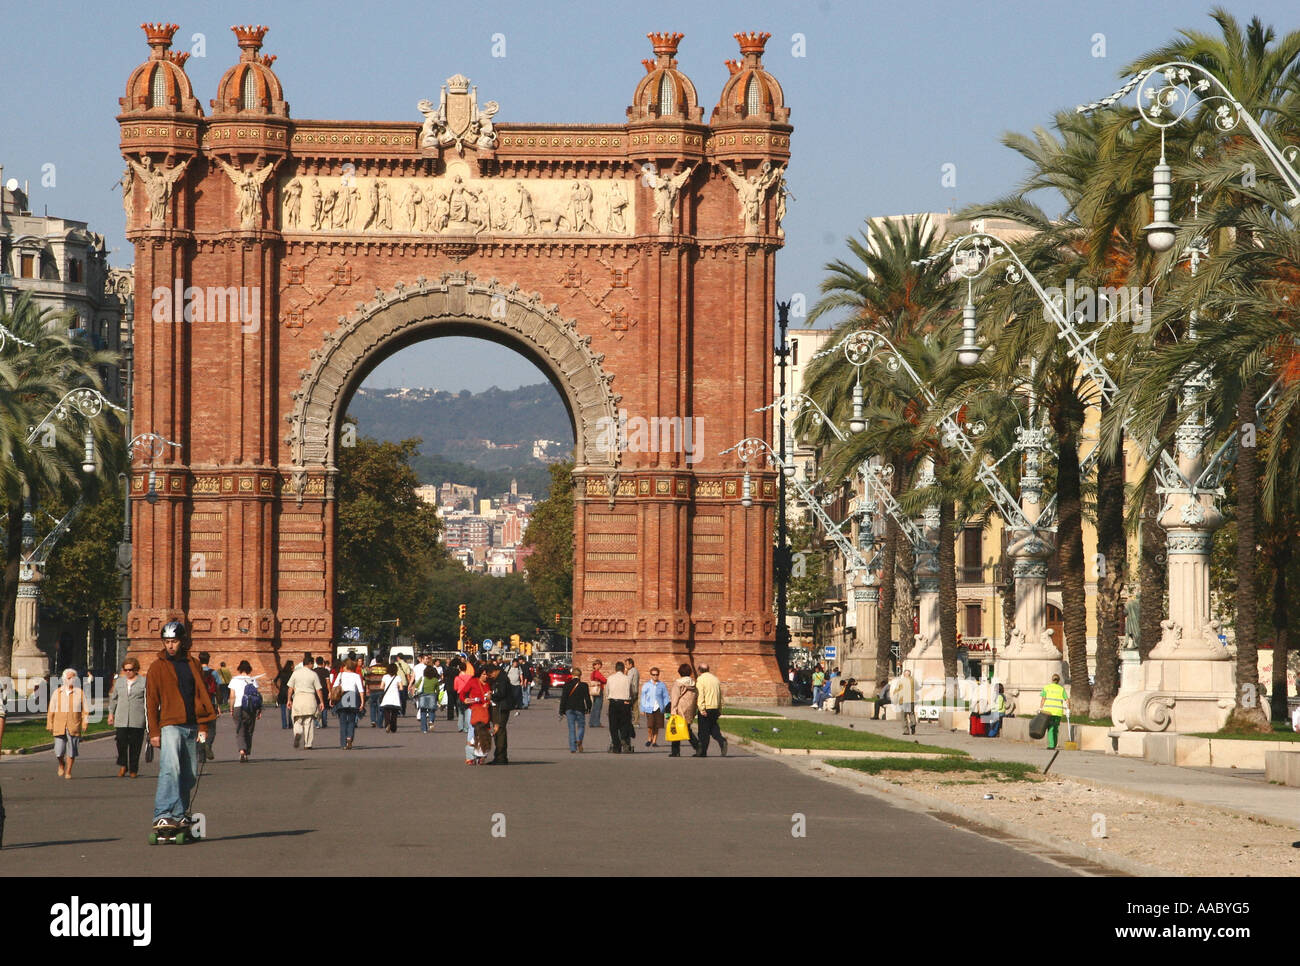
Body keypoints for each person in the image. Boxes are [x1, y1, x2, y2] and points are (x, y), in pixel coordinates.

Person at [145, 621, 217, 836]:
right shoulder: (157, 666)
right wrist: (154, 732)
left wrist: (203, 725)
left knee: (189, 773)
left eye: (174, 641)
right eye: (167, 642)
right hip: (169, 725)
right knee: (171, 768)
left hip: (191, 724)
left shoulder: (193, 664)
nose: (170, 646)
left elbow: (201, 695)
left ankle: (179, 814)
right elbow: (151, 701)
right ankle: (162, 814)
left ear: (183, 641)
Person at [107, 657, 147, 777]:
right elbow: (114, 699)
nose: (128, 672)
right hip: (121, 717)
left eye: (130, 670)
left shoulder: (144, 682)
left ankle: (133, 769)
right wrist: (110, 714)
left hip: (137, 717)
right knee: (121, 742)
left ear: (136, 669)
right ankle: (123, 764)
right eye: (126, 670)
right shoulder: (119, 681)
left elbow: (148, 700)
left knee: (136, 744)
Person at [46, 668, 89, 779]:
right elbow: (51, 709)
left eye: (73, 678)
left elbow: (85, 710)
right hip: (59, 725)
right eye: (69, 678)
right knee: (59, 751)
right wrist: (49, 723)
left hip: (73, 725)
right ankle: (61, 764)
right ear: (64, 679)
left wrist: (85, 722)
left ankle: (68, 771)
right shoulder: (57, 692)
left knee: (72, 750)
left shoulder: (79, 692)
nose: (71, 680)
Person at [288, 653, 324, 750]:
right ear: (310, 663)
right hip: (310, 698)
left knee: (297, 720)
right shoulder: (313, 674)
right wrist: (321, 702)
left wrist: (288, 700)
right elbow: (318, 690)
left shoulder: (295, 673)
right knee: (308, 721)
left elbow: (290, 688)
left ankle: (298, 733)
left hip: (298, 698)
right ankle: (308, 744)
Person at [458, 663, 491, 764]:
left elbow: (491, 698)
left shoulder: (489, 684)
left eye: (487, 675)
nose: (485, 677)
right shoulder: (473, 682)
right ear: (479, 674)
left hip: (484, 711)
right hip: (473, 709)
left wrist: (488, 702)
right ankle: (470, 757)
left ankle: (482, 756)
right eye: (484, 674)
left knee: (484, 734)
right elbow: (462, 693)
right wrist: (465, 700)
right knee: (472, 732)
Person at [229, 660, 261, 762]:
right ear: (249, 669)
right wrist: (259, 710)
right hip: (250, 708)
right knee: (249, 730)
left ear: (239, 669)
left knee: (240, 729)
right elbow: (257, 696)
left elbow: (232, 696)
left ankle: (242, 751)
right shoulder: (252, 680)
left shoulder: (234, 680)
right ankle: (247, 752)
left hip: (238, 706)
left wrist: (231, 708)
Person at [694, 663, 727, 757]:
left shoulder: (701, 679)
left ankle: (703, 752)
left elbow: (700, 695)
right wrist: (720, 708)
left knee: (703, 731)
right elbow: (720, 694)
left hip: (706, 707)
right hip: (715, 707)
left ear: (699, 670)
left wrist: (701, 708)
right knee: (713, 727)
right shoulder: (715, 679)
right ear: (708, 669)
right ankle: (721, 740)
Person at [333, 658, 366, 750]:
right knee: (352, 720)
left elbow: (335, 687)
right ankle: (349, 738)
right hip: (352, 696)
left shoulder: (341, 675)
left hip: (343, 696)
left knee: (343, 721)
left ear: (346, 666)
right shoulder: (356, 676)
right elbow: (360, 690)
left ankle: (343, 743)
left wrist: (332, 699)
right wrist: (362, 702)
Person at [558, 667, 591, 753]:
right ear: (580, 675)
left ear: (572, 675)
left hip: (569, 708)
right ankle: (579, 739)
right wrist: (589, 708)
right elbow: (587, 698)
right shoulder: (584, 685)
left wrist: (561, 710)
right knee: (581, 726)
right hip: (580, 708)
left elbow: (563, 698)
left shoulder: (567, 685)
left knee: (571, 728)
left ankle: (573, 748)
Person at [668, 664, 699, 757]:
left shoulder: (678, 683)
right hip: (690, 709)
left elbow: (675, 698)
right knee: (687, 728)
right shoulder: (693, 683)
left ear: (680, 672)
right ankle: (698, 747)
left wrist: (673, 710)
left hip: (680, 709)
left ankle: (676, 751)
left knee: (676, 729)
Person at [488, 664, 514, 765]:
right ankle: (499, 756)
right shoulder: (501, 677)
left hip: (502, 707)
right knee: (498, 731)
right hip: (501, 707)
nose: (491, 677)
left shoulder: (502, 679)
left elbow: (501, 693)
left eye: (490, 675)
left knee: (499, 731)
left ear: (494, 671)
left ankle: (501, 756)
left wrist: (492, 696)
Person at [605, 661, 634, 753]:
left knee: (613, 726)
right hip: (625, 703)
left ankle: (616, 746)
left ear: (615, 669)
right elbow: (631, 692)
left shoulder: (610, 678)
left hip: (613, 703)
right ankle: (624, 740)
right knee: (624, 724)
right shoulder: (627, 679)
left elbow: (607, 692)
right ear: (623, 669)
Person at [197, 652, 220, 760]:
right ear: (208, 660)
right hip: (211, 703)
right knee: (211, 729)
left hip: (198, 704)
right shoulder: (213, 673)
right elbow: (218, 688)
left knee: (201, 729)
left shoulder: (196, 672)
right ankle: (208, 745)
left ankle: (201, 754)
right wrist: (219, 704)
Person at [639, 667, 670, 747]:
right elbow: (643, 697)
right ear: (651, 675)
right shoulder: (646, 685)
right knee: (650, 725)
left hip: (659, 707)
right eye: (653, 674)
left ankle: (654, 741)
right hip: (649, 707)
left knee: (657, 725)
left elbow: (666, 696)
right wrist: (642, 708)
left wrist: (667, 708)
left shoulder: (662, 685)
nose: (655, 676)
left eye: (657, 674)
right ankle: (649, 738)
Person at [1039, 674, 1068, 749]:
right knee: (1055, 728)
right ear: (1058, 681)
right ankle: (1054, 744)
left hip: (1049, 712)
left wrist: (1040, 708)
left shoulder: (1046, 688)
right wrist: (1068, 709)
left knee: (1050, 728)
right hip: (1058, 712)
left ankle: (1051, 745)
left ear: (1052, 680)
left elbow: (1043, 699)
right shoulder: (1061, 689)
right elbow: (1067, 700)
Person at [893, 670, 917, 735]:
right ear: (910, 674)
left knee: (904, 716)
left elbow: (896, 691)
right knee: (911, 713)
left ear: (904, 674)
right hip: (911, 700)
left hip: (903, 700)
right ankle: (913, 723)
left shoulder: (900, 681)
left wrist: (895, 700)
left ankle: (906, 731)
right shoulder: (913, 681)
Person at [380, 663, 402, 732]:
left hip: (387, 697)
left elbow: (381, 687)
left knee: (386, 712)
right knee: (394, 714)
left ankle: (387, 724)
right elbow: (401, 688)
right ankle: (393, 727)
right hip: (395, 698)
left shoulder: (385, 677)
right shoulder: (398, 677)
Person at [276, 659, 295, 729]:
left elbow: (275, 680)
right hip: (289, 692)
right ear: (291, 666)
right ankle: (290, 724)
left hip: (282, 692)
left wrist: (278, 687)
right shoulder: (292, 673)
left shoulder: (281, 672)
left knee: (283, 710)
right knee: (290, 709)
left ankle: (284, 725)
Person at [314, 657, 332, 729]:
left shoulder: (314, 671)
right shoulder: (326, 671)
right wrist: (330, 692)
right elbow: (328, 682)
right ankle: (324, 722)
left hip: (315, 690)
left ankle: (316, 723)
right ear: (323, 662)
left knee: (316, 707)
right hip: (324, 690)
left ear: (316, 662)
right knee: (324, 706)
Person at [589, 659, 607, 728]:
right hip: (599, 691)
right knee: (598, 707)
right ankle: (596, 722)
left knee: (594, 707)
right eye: (598, 664)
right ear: (595, 665)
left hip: (594, 691)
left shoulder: (592, 673)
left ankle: (591, 722)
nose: (600, 665)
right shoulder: (597, 673)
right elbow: (604, 680)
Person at [626, 658, 641, 729]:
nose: (626, 666)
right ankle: (636, 721)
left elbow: (628, 681)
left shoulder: (631, 671)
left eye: (627, 664)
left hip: (631, 691)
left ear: (631, 664)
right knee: (635, 707)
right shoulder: (636, 670)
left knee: (630, 706)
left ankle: (634, 721)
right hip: (635, 690)